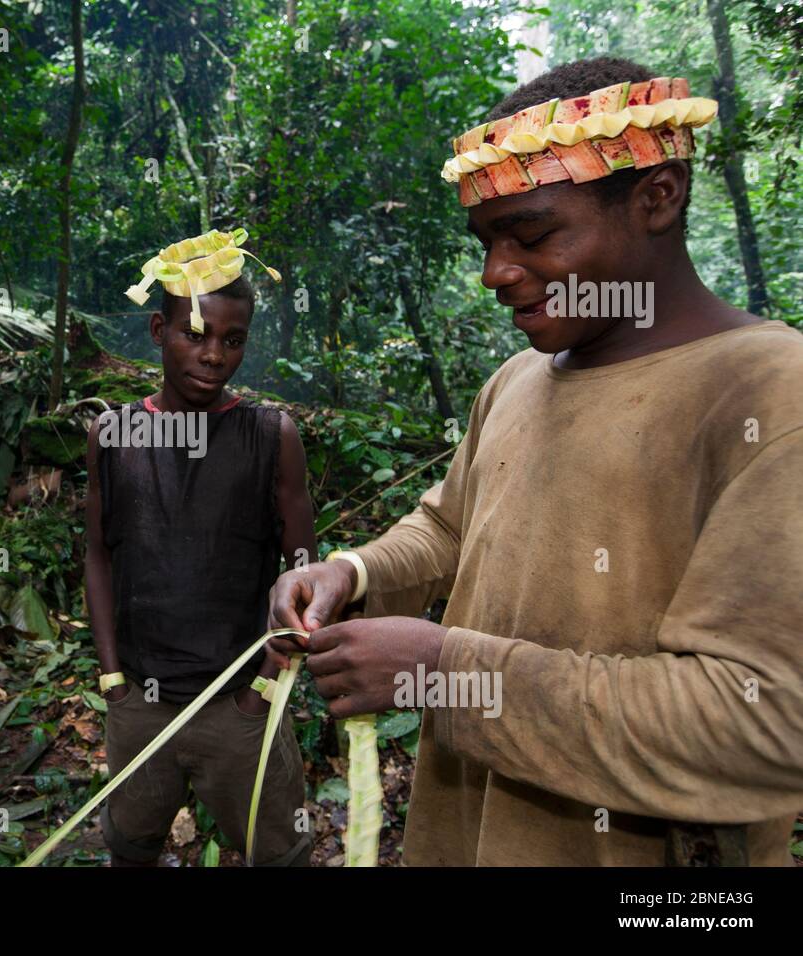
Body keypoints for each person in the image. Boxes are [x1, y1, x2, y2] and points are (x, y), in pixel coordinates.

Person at [267, 57, 803, 866]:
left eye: (534, 232)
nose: (496, 274)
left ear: (658, 196)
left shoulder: (770, 395)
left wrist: (451, 676)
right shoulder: (517, 380)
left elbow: (766, 724)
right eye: (487, 242)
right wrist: (353, 572)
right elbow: (451, 528)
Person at [85, 229, 317, 866]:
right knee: (130, 843)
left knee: (279, 852)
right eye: (196, 334)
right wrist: (112, 679)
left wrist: (264, 690)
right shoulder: (115, 433)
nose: (214, 356)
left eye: (233, 340)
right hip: (140, 700)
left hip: (239, 706)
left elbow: (305, 574)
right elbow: (99, 555)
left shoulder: (271, 436)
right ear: (159, 330)